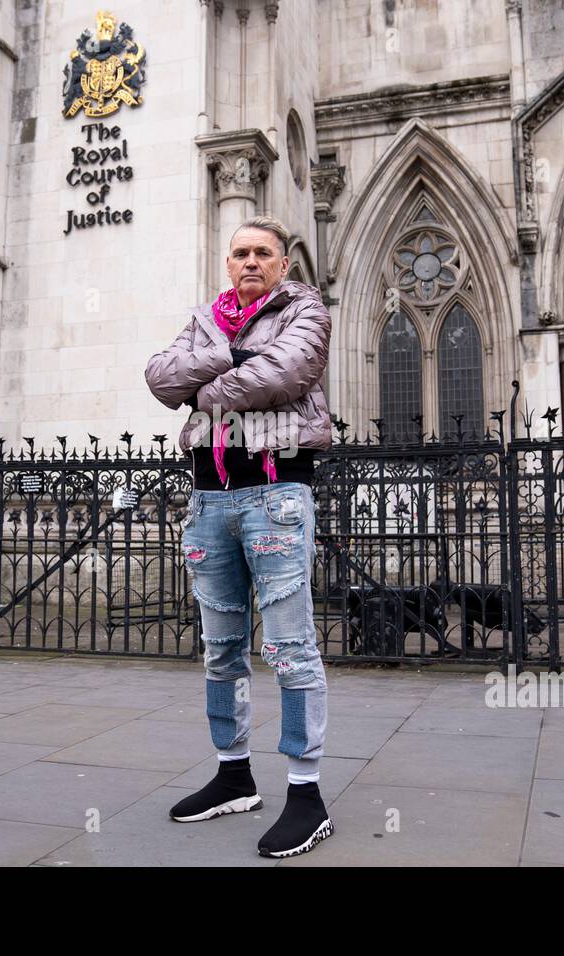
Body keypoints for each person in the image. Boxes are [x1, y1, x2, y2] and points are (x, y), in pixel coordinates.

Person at [144, 216, 334, 858]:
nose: (250, 262)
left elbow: (286, 375)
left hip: (277, 492)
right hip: (208, 497)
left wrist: (205, 389)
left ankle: (306, 796)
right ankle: (234, 775)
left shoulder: (305, 307)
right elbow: (160, 377)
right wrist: (229, 354)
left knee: (290, 646)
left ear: (283, 263)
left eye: (263, 253)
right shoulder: (207, 320)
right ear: (227, 263)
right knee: (221, 645)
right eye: (240, 254)